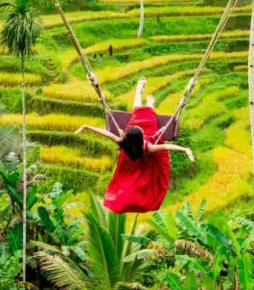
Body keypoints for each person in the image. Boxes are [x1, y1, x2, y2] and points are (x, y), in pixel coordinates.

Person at [75, 77, 194, 214]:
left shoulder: (123, 140)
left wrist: (87, 127)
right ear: (140, 137)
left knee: (137, 110)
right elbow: (166, 147)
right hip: (151, 131)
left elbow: (105, 133)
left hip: (134, 127)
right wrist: (184, 149)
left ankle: (139, 89)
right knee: (149, 114)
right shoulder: (147, 146)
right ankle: (150, 102)